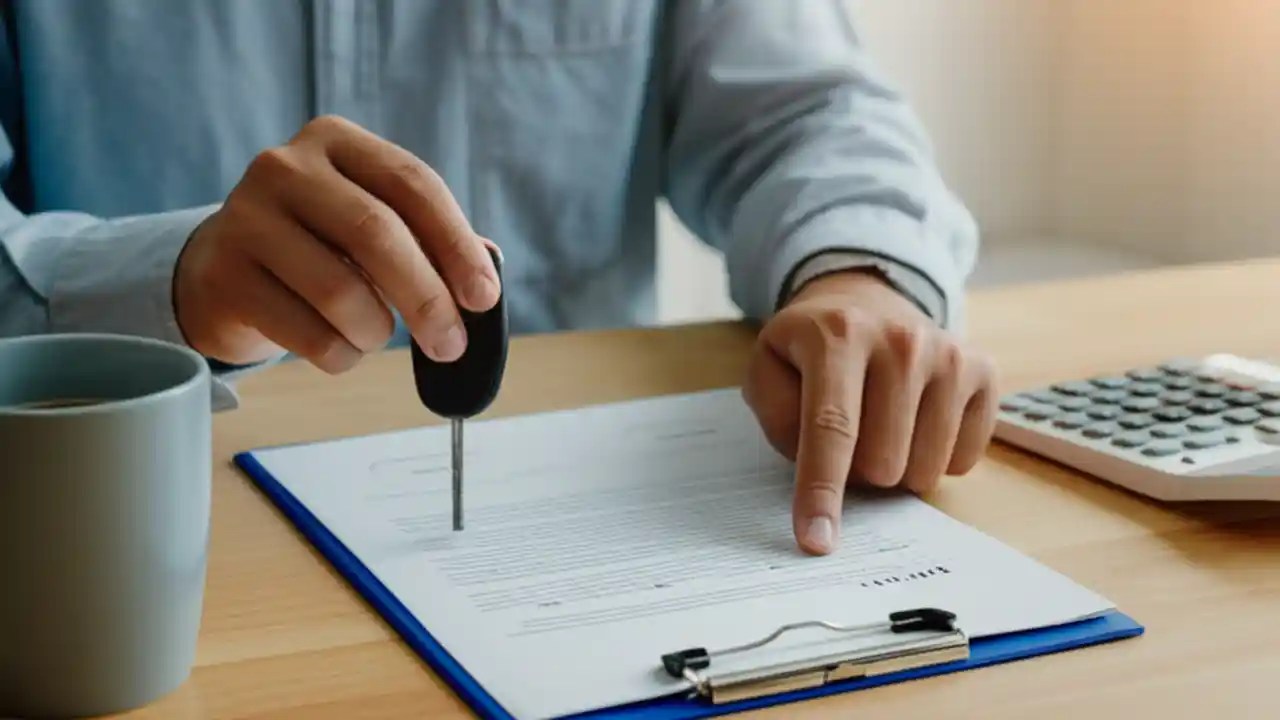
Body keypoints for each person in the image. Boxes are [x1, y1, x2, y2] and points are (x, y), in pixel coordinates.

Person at [0, 1, 996, 555]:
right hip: (134, 533)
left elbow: (805, 114)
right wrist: (163, 281)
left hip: (592, 519)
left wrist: (857, 277)